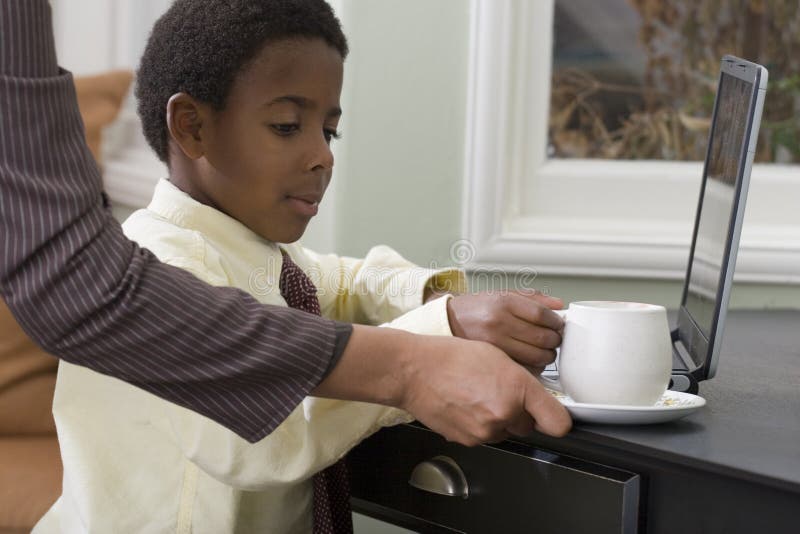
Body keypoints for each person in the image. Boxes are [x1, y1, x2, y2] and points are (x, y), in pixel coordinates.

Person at [0, 0, 567, 460]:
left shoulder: (257, 252)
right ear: (192, 127)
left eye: (329, 132)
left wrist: (437, 300)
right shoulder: (163, 257)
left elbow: (339, 283)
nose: (323, 156)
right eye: (286, 126)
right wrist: (436, 336)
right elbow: (263, 440)